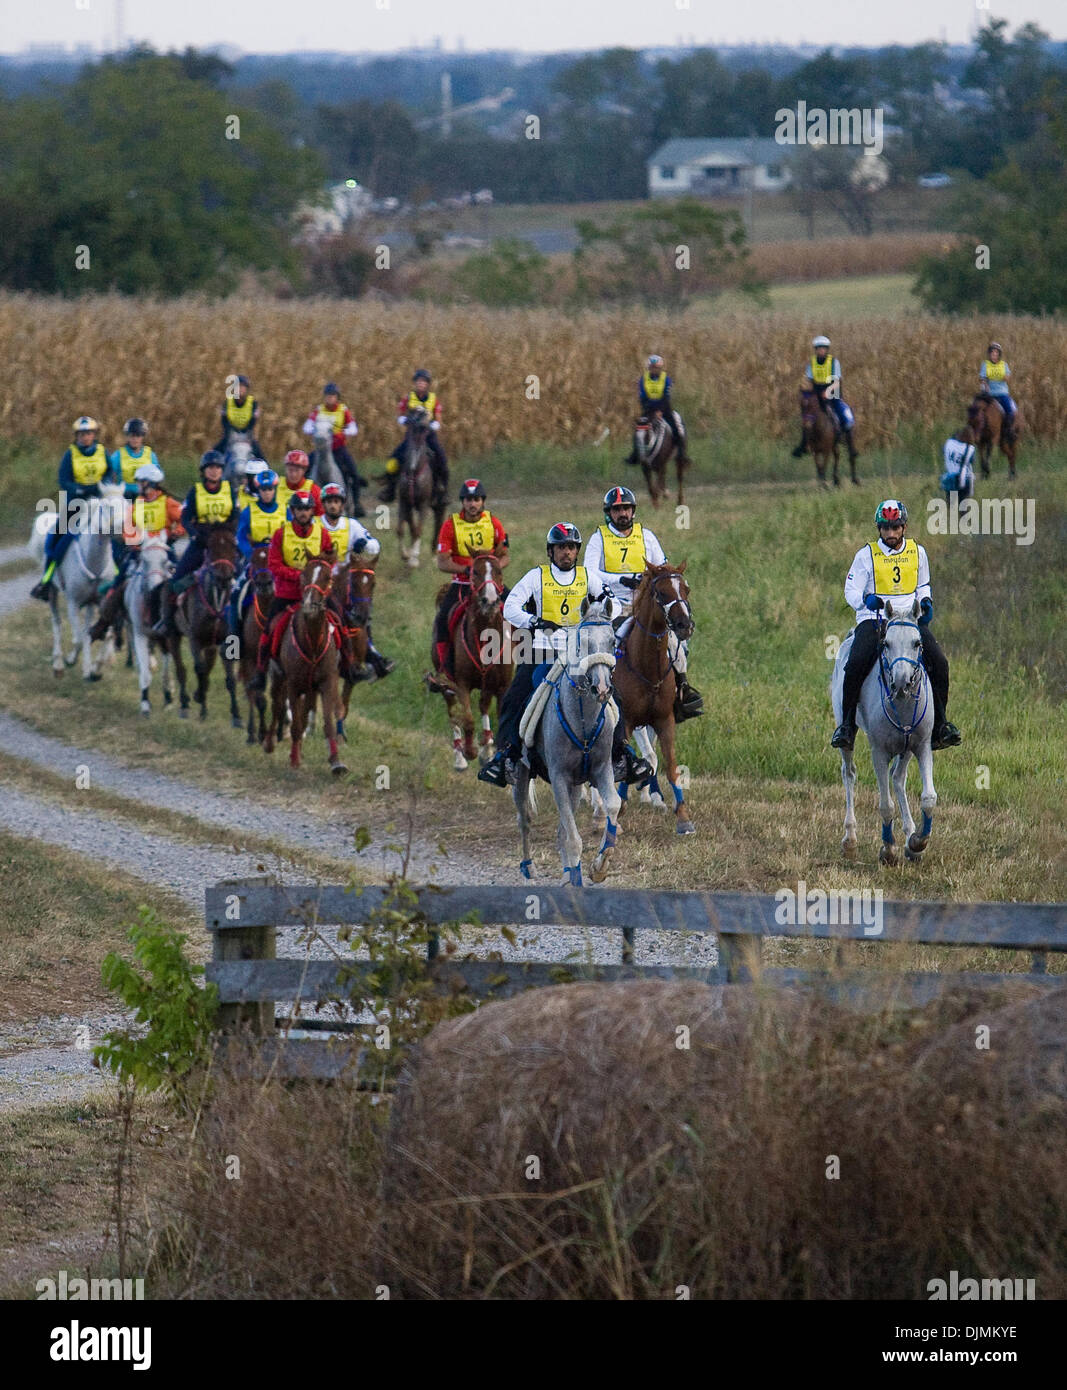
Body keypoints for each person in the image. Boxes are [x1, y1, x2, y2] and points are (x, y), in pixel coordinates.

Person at [477, 523, 653, 789]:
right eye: (561, 547)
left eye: (571, 547)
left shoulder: (587, 578)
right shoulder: (536, 576)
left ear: (576, 551)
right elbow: (510, 605)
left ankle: (621, 756)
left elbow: (613, 604)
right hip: (542, 652)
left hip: (580, 655)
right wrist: (535, 622)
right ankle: (507, 758)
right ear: (551, 551)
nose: (566, 553)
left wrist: (599, 615)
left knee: (613, 696)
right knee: (516, 696)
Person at [830, 499, 961, 753]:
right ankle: (847, 726)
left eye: (896, 528)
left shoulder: (917, 552)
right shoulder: (866, 555)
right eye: (885, 529)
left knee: (939, 662)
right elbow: (851, 589)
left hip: (908, 620)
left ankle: (940, 725)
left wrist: (925, 602)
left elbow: (923, 584)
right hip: (875, 618)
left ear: (904, 527)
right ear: (879, 529)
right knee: (855, 662)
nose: (891, 534)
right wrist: (864, 600)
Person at [584, 484, 703, 722]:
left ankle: (682, 689)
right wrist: (621, 579)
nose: (622, 514)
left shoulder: (646, 536)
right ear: (609, 512)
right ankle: (602, 691)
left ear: (633, 511)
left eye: (626, 508)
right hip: (614, 605)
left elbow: (664, 568)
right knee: (607, 643)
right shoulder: (599, 539)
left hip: (646, 606)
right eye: (617, 509)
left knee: (674, 643)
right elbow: (588, 572)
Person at [426, 478, 509, 692]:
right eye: (468, 500)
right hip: (462, 584)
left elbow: (505, 555)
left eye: (477, 499)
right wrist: (467, 570)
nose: (472, 504)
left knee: (518, 610)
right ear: (462, 502)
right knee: (443, 618)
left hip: (489, 583)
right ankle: (444, 672)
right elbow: (442, 561)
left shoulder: (494, 523)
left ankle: (523, 661)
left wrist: (492, 570)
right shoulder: (450, 525)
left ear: (483, 501)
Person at [248, 492, 336, 692]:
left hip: (316, 594)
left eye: (306, 509)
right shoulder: (281, 534)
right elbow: (274, 564)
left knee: (340, 622)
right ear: (292, 511)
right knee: (270, 630)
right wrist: (299, 576)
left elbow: (331, 558)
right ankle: (261, 674)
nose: (303, 513)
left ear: (312, 511)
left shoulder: (322, 534)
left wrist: (319, 576)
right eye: (299, 509)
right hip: (288, 593)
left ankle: (349, 664)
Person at [90, 462, 184, 639]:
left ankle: (182, 615)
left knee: (180, 576)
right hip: (140, 550)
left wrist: (174, 534)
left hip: (163, 549)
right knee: (120, 579)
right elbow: (128, 527)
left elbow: (183, 520)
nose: (138, 485)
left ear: (151, 483)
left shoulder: (168, 503)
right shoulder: (135, 504)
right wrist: (134, 541)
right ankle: (104, 621)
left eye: (141, 482)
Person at [31, 416, 119, 601]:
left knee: (117, 533)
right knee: (55, 539)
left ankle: (118, 575)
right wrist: (78, 489)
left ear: (94, 435)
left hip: (99, 501)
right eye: (81, 434)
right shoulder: (70, 454)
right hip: (76, 504)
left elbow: (111, 474)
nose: (85, 437)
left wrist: (104, 486)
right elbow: (63, 480)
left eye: (88, 433)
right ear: (76, 436)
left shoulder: (103, 452)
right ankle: (46, 580)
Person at [153, 450, 238, 636]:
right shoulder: (196, 491)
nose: (214, 471)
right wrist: (194, 534)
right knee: (175, 581)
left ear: (222, 471)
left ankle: (237, 626)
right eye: (210, 468)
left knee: (242, 580)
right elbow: (185, 517)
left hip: (223, 543)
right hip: (201, 542)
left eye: (217, 468)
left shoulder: (229, 490)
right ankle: (166, 622)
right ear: (204, 471)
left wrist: (229, 531)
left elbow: (235, 515)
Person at [319, 480, 395, 681]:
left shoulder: (351, 525)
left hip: (345, 581)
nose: (333, 505)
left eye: (337, 502)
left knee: (362, 611)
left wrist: (365, 544)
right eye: (329, 502)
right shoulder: (315, 525)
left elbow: (375, 547)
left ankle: (370, 653)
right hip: (320, 580)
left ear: (342, 504)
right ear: (324, 505)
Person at [379, 368, 448, 506]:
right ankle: (390, 488)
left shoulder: (434, 399)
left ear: (427, 384)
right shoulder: (408, 398)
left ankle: (442, 491)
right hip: (411, 436)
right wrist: (403, 420)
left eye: (423, 382)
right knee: (395, 458)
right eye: (418, 381)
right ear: (415, 383)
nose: (421, 384)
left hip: (428, 436)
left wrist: (433, 425)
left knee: (442, 459)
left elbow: (438, 419)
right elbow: (400, 415)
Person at [792, 335, 859, 465]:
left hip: (833, 393)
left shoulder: (834, 362)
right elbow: (809, 379)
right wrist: (805, 388)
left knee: (846, 415)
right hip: (817, 394)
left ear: (827, 349)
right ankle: (803, 445)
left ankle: (851, 447)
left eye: (823, 348)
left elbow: (837, 381)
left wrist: (827, 392)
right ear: (815, 350)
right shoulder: (812, 363)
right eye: (818, 348)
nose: (821, 351)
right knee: (807, 418)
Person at [302, 382, 366, 516]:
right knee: (304, 467)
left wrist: (342, 433)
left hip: (338, 449)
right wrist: (315, 430)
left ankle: (356, 503)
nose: (330, 399)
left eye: (333, 396)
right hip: (321, 450)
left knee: (353, 472)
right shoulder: (318, 410)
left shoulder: (343, 410)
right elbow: (306, 426)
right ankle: (303, 498)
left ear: (337, 397)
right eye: (328, 396)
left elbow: (353, 428)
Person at [624, 354, 691, 467]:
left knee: (677, 429)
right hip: (649, 409)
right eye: (652, 367)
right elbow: (642, 397)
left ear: (660, 368)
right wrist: (650, 409)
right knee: (638, 431)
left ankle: (681, 454)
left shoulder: (666, 379)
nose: (654, 370)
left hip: (665, 409)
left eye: (656, 367)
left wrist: (660, 410)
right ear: (649, 368)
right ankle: (635, 455)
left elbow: (666, 396)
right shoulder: (643, 379)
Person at [213, 374, 266, 461]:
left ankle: (267, 469)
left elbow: (253, 421)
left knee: (258, 451)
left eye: (242, 387)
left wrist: (245, 432)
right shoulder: (227, 403)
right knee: (217, 449)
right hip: (230, 433)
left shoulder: (253, 403)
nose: (240, 389)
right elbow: (224, 421)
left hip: (247, 433)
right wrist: (230, 431)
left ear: (246, 389)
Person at [978, 342, 1017, 439]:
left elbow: (1008, 377)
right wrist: (985, 384)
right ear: (989, 354)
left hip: (1002, 393)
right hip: (989, 394)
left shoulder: (1004, 365)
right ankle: (976, 431)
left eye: (996, 353)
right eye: (992, 352)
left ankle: (1009, 430)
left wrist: (1005, 377)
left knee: (1010, 410)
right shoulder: (985, 364)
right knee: (976, 408)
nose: (994, 354)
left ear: (999, 354)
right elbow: (982, 378)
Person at [275, 449, 323, 519]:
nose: (293, 474)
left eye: (297, 470)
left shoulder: (314, 490)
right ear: (285, 468)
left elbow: (321, 517)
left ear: (304, 470)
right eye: (290, 470)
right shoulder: (275, 486)